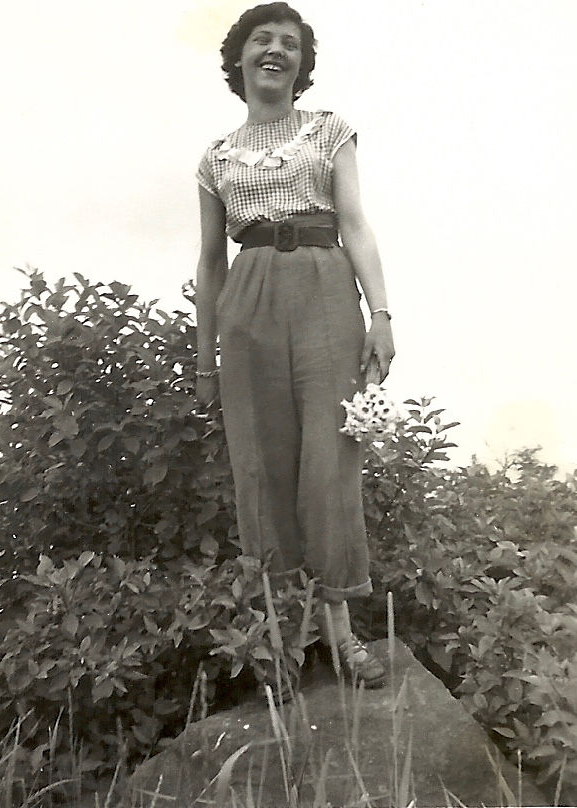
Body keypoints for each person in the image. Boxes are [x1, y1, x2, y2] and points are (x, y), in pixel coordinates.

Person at [195, 2, 394, 695]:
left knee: (330, 462)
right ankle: (283, 638)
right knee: (260, 468)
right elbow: (210, 263)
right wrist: (204, 359)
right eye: (262, 40)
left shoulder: (329, 130)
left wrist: (382, 314)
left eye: (290, 43)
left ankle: (340, 635)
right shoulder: (216, 157)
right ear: (239, 58)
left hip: (323, 287)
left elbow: (357, 223)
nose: (276, 50)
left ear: (303, 64)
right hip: (246, 302)